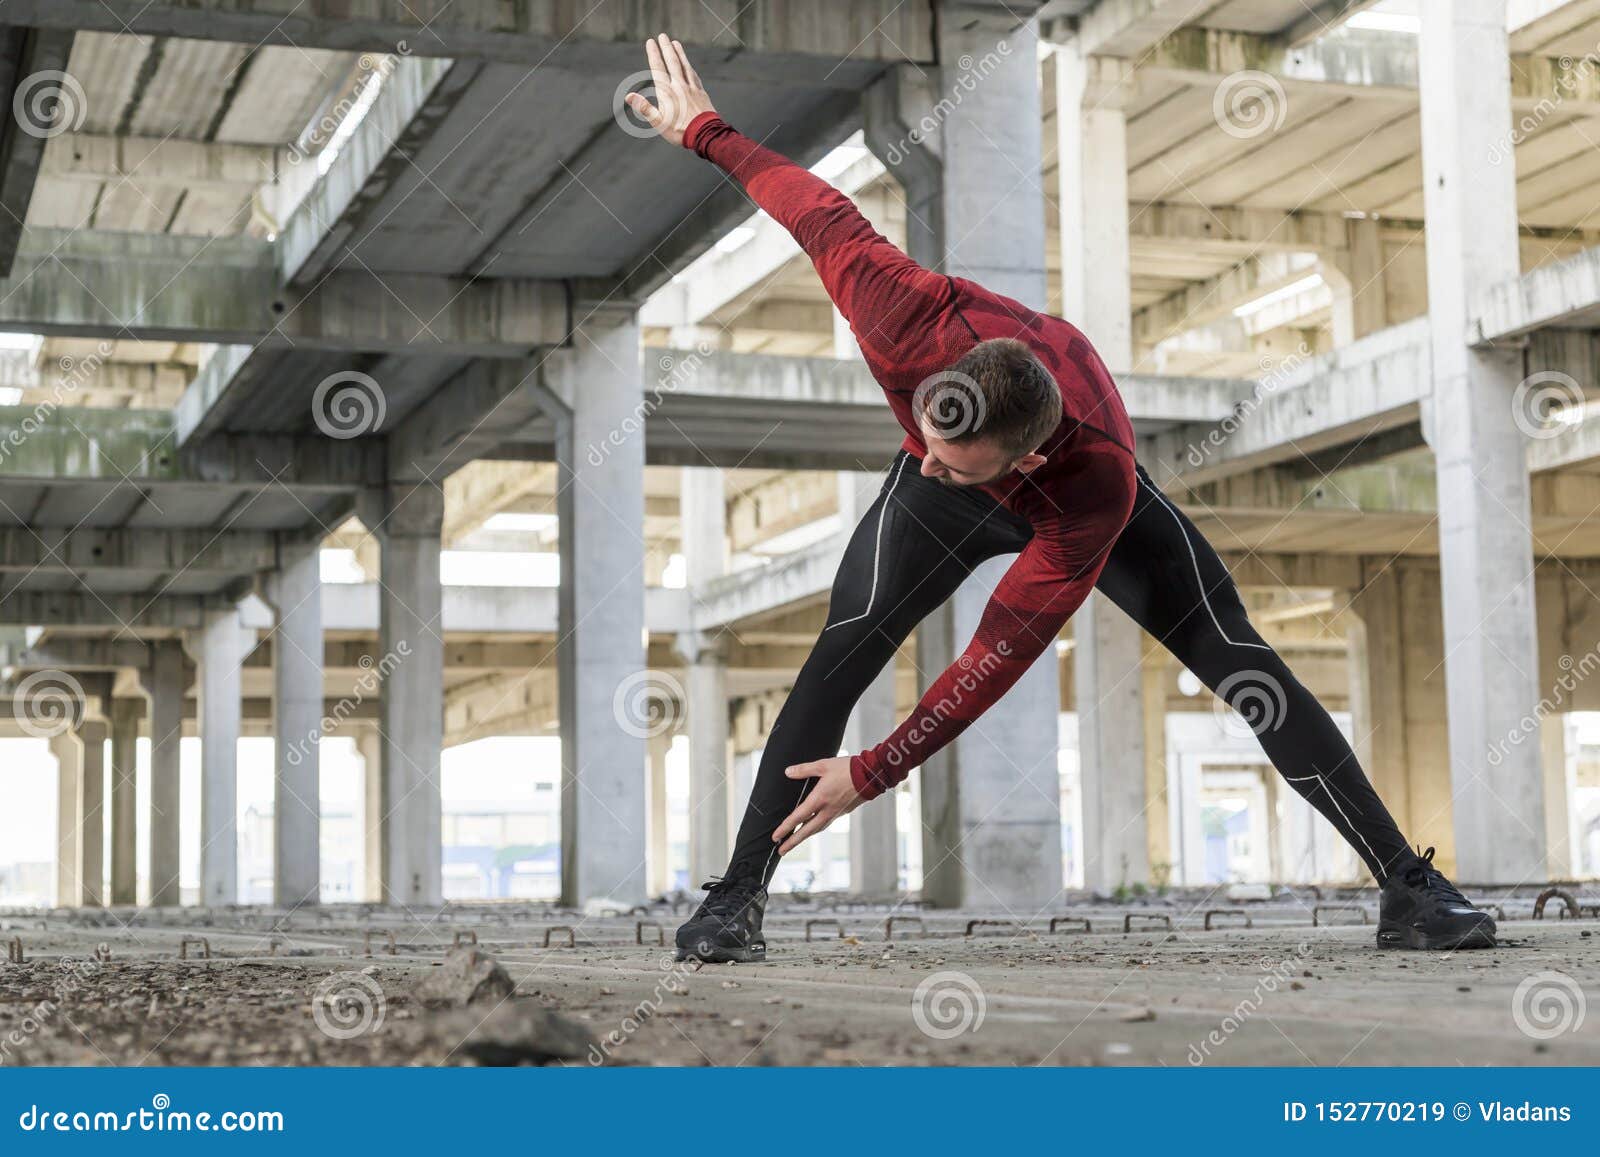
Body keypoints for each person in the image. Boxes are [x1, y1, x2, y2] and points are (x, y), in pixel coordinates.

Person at [624, 35, 1496, 960]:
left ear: (1025, 458)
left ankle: (1407, 886)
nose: (927, 463)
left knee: (1240, 659)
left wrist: (873, 773)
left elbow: (992, 656)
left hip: (1077, 500)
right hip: (981, 467)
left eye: (957, 460)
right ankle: (735, 899)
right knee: (842, 650)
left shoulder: (1092, 484)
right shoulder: (901, 311)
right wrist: (703, 131)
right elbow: (813, 207)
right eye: (929, 434)